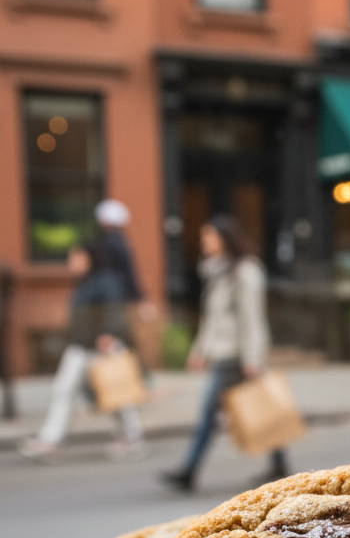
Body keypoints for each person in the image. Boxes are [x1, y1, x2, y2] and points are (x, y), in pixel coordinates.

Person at [162, 215, 287, 491]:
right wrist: (200, 351)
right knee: (262, 407)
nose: (204, 241)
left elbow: (250, 317)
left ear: (225, 239)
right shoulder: (216, 271)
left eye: (209, 236)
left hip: (235, 355)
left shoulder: (244, 271)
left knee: (209, 413)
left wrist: (253, 358)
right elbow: (212, 319)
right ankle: (279, 462)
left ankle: (189, 470)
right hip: (223, 352)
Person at [19, 199, 148, 460]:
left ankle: (132, 438)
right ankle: (50, 439)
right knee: (64, 390)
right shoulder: (85, 282)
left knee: (117, 394)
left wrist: (109, 335)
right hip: (81, 345)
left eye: (76, 256)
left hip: (101, 345)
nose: (72, 261)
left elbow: (113, 308)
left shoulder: (105, 279)